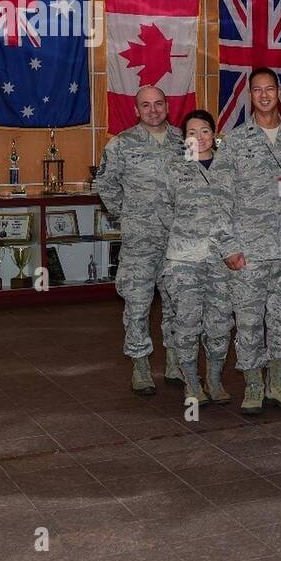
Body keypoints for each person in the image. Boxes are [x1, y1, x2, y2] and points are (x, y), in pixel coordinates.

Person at [211, 68, 281, 415]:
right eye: (257, 90)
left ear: (279, 92)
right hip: (248, 253)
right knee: (249, 322)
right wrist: (229, 247)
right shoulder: (235, 142)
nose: (264, 96)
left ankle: (278, 383)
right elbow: (219, 199)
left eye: (270, 89)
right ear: (250, 95)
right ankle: (252, 386)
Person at [94, 85, 183, 396]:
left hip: (177, 242)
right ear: (136, 110)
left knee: (177, 305)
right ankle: (141, 366)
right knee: (137, 304)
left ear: (167, 106)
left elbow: (201, 182)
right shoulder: (121, 145)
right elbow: (105, 185)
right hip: (139, 243)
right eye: (146, 105)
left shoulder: (184, 142)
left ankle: (175, 361)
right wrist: (128, 217)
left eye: (159, 103)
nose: (153, 110)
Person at [160, 110, 233, 406]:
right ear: (184, 138)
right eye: (192, 132)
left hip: (221, 260)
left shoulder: (229, 167)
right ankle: (192, 382)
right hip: (184, 260)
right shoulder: (174, 169)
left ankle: (214, 380)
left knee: (220, 323)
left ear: (214, 134)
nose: (200, 137)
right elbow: (163, 211)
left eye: (205, 131)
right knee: (187, 323)